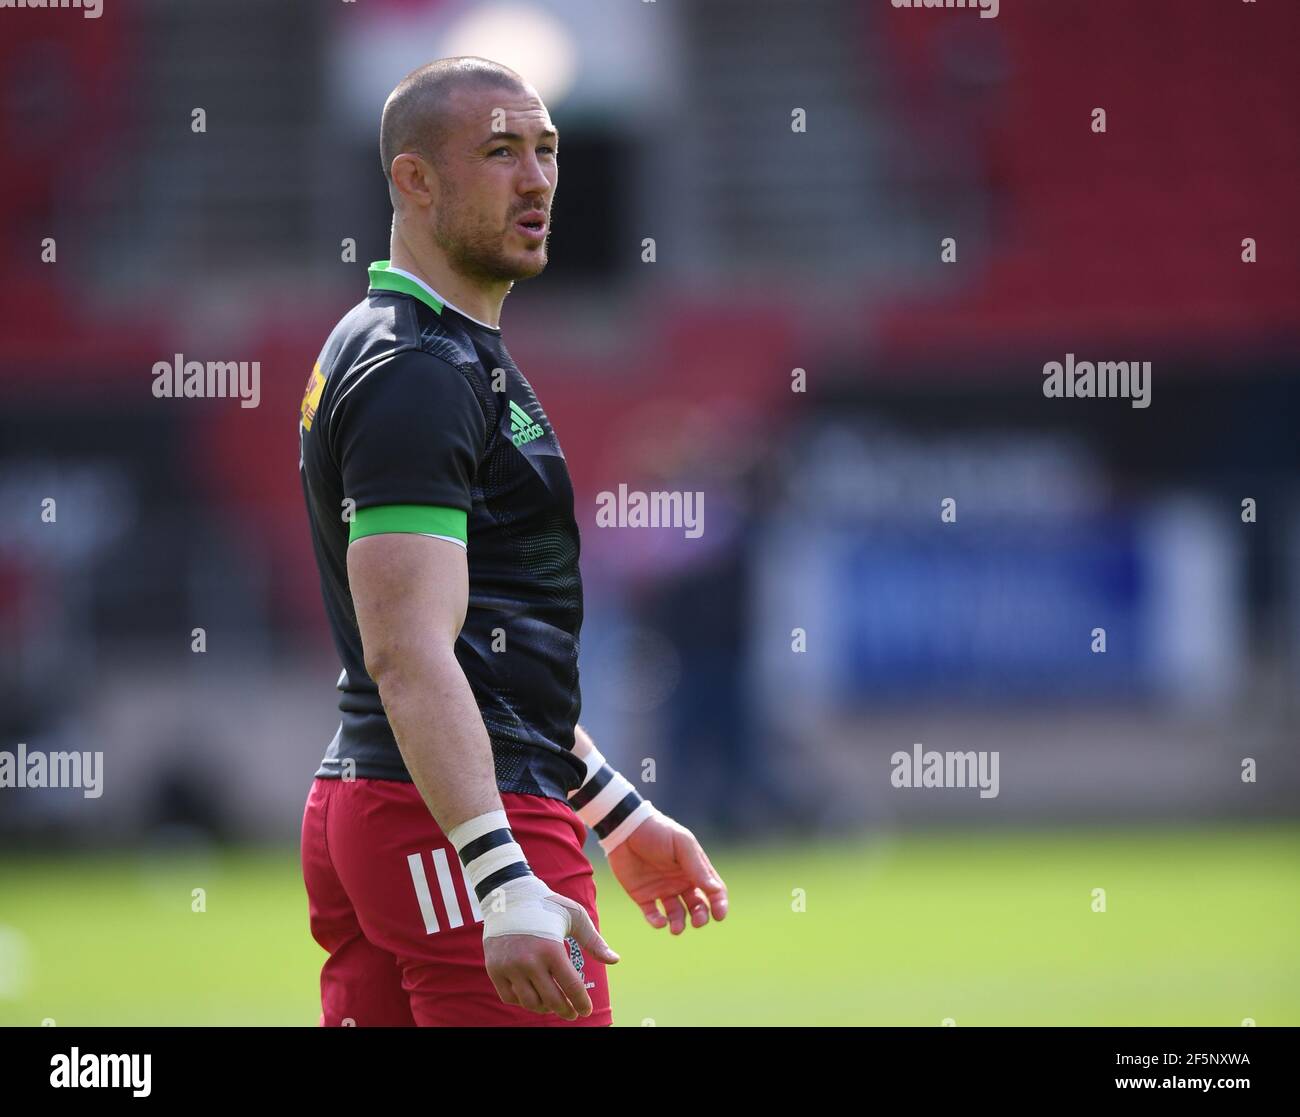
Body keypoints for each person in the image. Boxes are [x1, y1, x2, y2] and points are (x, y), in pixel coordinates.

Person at [297, 57, 727, 1027]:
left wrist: (614, 808)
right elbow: (408, 648)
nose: (536, 180)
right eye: (499, 153)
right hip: (450, 815)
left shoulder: (420, 346)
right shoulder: (418, 368)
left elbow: (487, 644)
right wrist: (500, 872)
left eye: (546, 151)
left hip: (396, 801)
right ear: (413, 179)